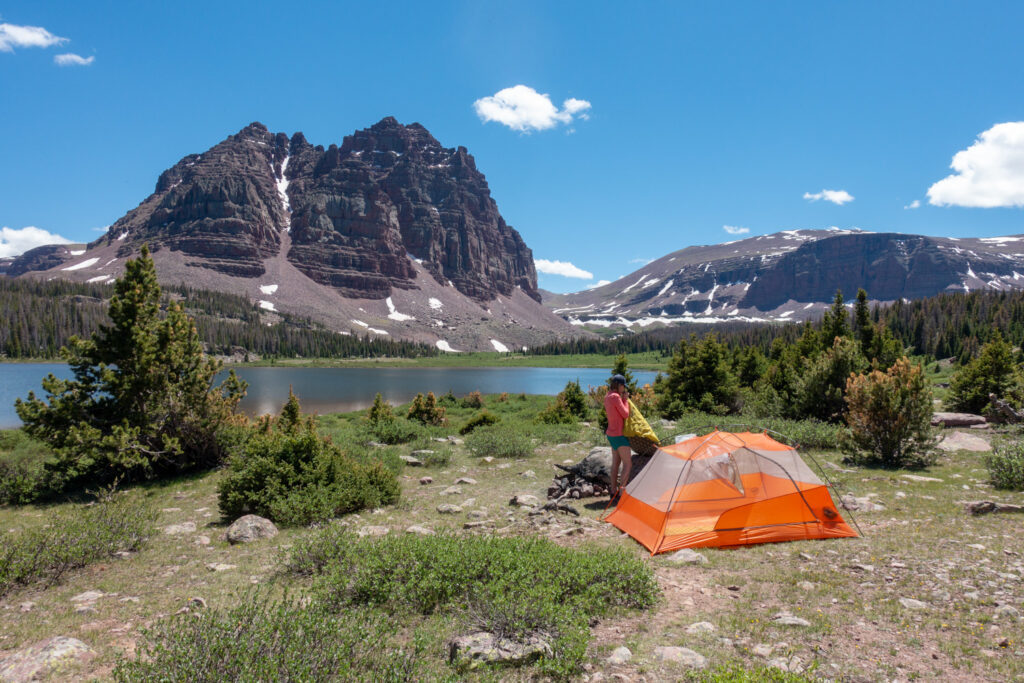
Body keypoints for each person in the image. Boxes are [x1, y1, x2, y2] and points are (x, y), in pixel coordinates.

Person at [604, 374, 632, 498]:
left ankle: (612, 491)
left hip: (611, 434)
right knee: (628, 464)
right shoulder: (616, 397)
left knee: (616, 463)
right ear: (619, 385)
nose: (624, 389)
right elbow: (625, 414)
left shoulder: (608, 396)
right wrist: (625, 400)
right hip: (619, 435)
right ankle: (621, 493)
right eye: (623, 386)